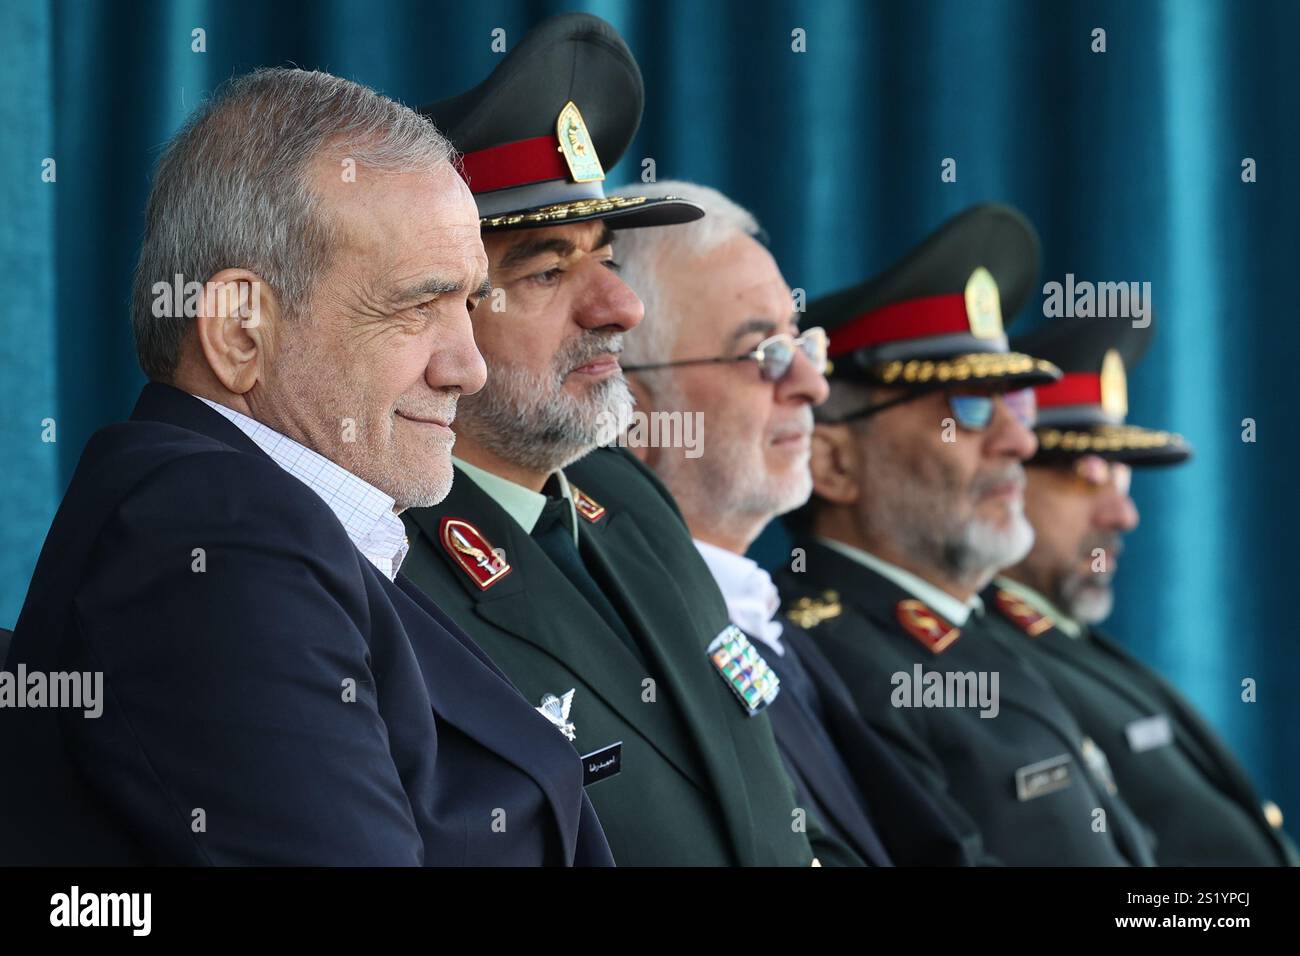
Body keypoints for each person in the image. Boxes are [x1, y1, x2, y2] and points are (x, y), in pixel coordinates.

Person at [0, 68, 611, 866]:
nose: (468, 367)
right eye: (416, 307)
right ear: (239, 333)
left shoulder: (272, 526)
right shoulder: (212, 544)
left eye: (468, 303)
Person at [399, 14, 819, 865]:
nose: (618, 310)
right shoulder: (386, 567)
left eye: (608, 262)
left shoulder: (627, 502)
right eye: (549, 270)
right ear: (434, 312)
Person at [777, 203, 1157, 865]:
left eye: (1015, 404)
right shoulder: (827, 661)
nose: (1019, 441)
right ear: (835, 463)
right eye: (967, 406)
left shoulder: (966, 633)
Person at [613, 179, 976, 865]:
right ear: (635, 413)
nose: (812, 384)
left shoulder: (761, 626)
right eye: (763, 354)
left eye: (803, 343)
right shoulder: (628, 650)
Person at [985, 314, 1297, 865]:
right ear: (1007, 477)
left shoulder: (1065, 643)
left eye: (1121, 475)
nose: (1124, 513)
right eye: (1086, 475)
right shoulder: (989, 663)